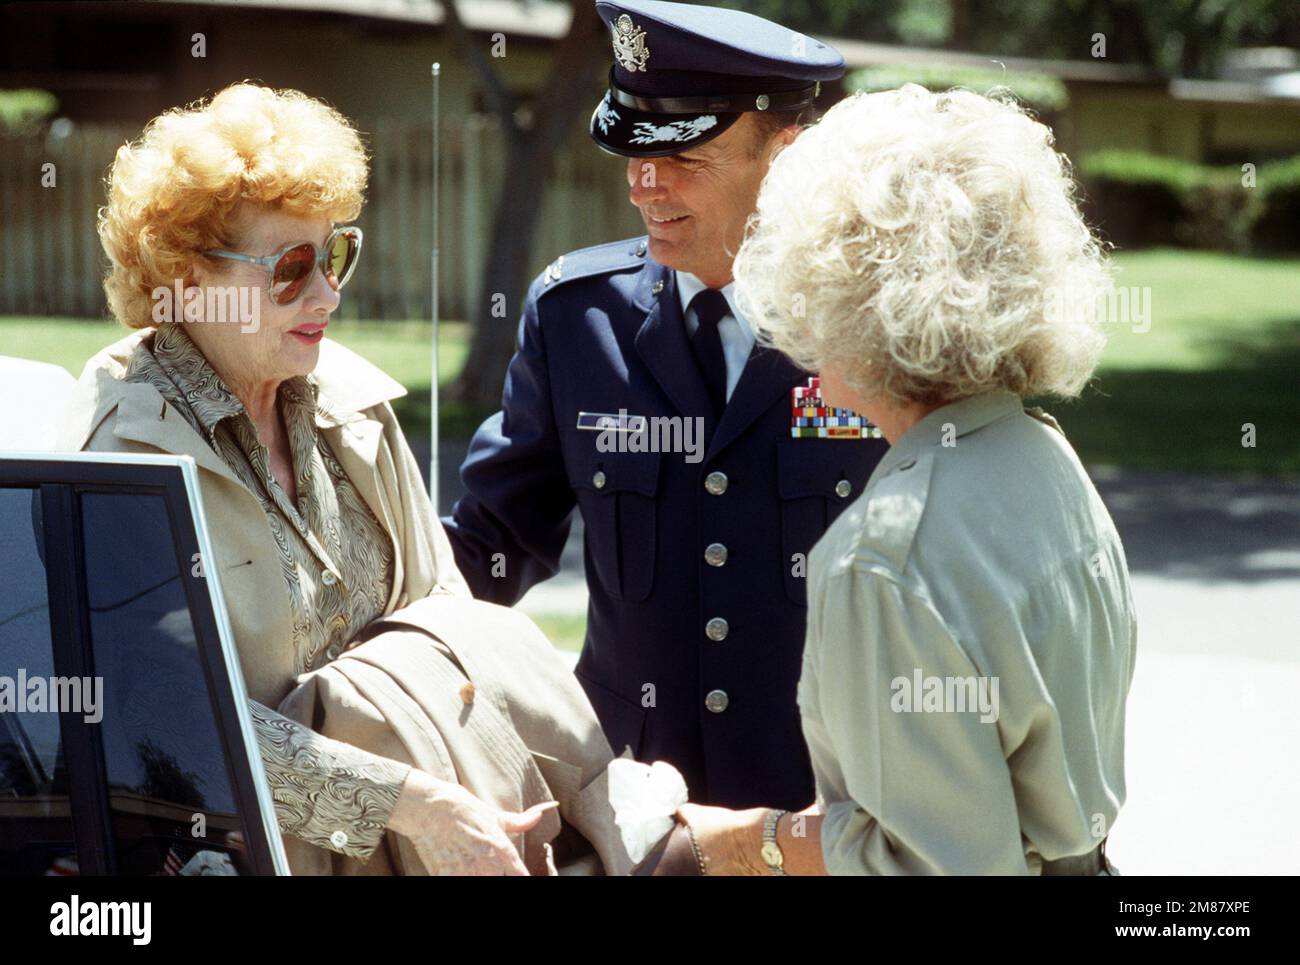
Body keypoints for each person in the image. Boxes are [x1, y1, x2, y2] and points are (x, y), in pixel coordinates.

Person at [57, 82, 642, 876]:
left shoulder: (350, 403)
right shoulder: (118, 452)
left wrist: (469, 792)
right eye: (290, 267)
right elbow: (165, 721)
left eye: (334, 254)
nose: (328, 293)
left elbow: (447, 616)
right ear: (186, 277)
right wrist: (412, 804)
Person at [676, 85, 1137, 874]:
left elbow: (928, 862)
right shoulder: (1041, 454)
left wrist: (740, 844)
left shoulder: (883, 558)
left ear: (860, 307)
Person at [444, 0, 886, 813]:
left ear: (783, 153)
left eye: (684, 154)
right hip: (636, 819)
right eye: (632, 152)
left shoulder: (877, 324)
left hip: (831, 819)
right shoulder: (576, 316)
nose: (646, 184)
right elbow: (490, 547)